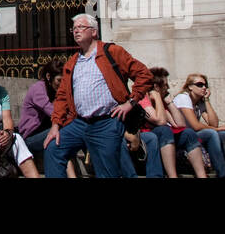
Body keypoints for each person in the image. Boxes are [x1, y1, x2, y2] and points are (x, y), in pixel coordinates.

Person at [43, 13, 153, 178]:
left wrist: (130, 102)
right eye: (73, 28)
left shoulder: (112, 52)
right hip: (79, 123)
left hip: (106, 122)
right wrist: (55, 125)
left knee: (106, 172)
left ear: (94, 32)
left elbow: (144, 75)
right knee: (53, 148)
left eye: (81, 27)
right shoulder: (73, 62)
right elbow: (62, 97)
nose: (76, 31)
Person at [137, 67, 206, 177]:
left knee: (188, 133)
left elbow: (180, 124)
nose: (168, 88)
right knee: (164, 130)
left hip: (164, 137)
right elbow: (160, 121)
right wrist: (157, 97)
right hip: (146, 138)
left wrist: (169, 103)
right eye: (165, 85)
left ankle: (202, 175)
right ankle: (172, 176)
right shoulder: (143, 99)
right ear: (156, 87)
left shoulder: (162, 101)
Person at [173, 73, 225, 177]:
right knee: (211, 133)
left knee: (223, 134)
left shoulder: (199, 102)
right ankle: (222, 173)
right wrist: (216, 129)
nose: (204, 87)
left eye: (205, 85)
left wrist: (206, 100)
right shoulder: (183, 98)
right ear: (190, 87)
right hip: (180, 136)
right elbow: (196, 126)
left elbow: (213, 123)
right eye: (200, 85)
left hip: (193, 135)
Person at [18, 58, 64, 160]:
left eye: (63, 81)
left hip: (46, 131)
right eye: (59, 80)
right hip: (30, 138)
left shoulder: (53, 89)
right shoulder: (38, 89)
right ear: (48, 76)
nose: (61, 84)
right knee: (65, 130)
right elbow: (53, 112)